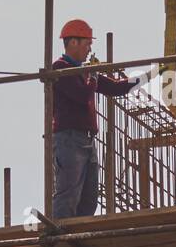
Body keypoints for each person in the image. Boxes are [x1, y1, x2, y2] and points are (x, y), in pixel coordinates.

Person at [51, 18, 139, 218]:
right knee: (69, 193)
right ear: (73, 42)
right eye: (87, 43)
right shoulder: (60, 67)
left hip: (87, 139)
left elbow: (116, 88)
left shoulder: (85, 73)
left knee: (89, 197)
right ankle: (61, 234)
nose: (89, 49)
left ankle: (79, 232)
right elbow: (82, 95)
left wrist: (146, 76)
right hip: (69, 138)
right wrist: (93, 75)